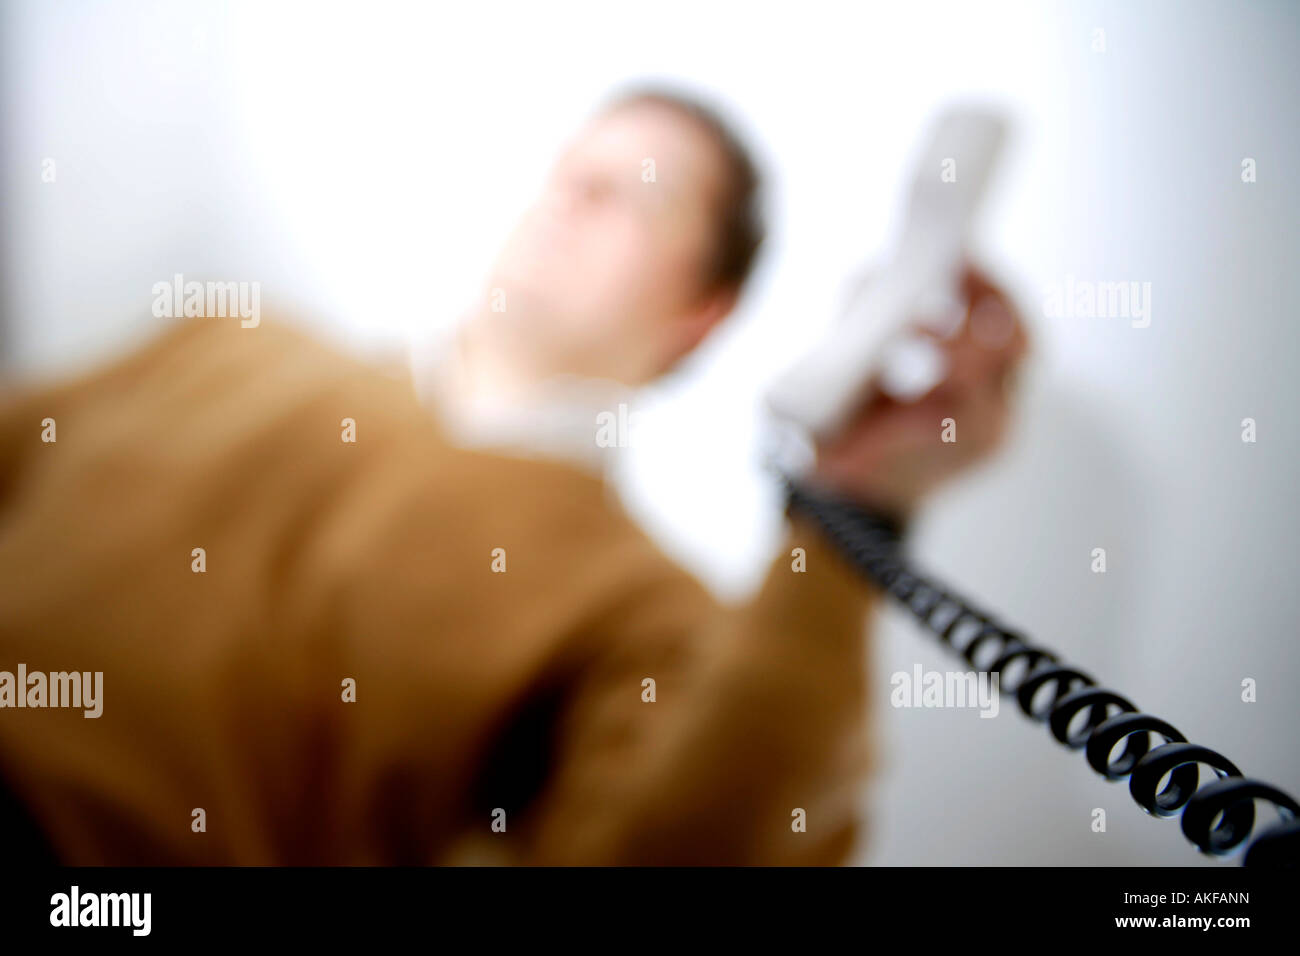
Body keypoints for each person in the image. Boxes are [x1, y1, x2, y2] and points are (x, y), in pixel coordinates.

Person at [0, 85, 1027, 865]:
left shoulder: (645, 609)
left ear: (698, 311)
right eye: (568, 170)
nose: (568, 197)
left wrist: (849, 512)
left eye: (633, 191)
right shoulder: (232, 339)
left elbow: (687, 846)